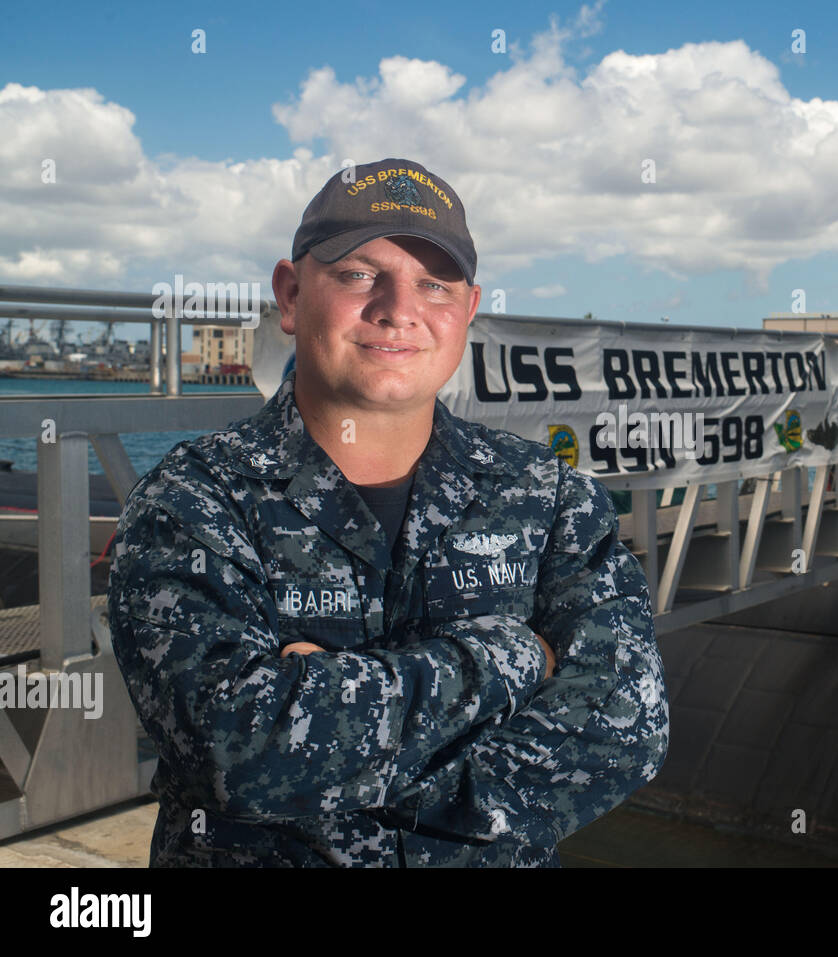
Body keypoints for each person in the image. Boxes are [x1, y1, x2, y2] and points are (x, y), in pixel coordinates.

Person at [108, 158, 669, 867]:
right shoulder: (192, 503)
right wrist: (514, 653)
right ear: (289, 294)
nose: (398, 307)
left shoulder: (548, 498)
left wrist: (327, 752)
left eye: (434, 283)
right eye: (358, 273)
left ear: (467, 311)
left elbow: (627, 725)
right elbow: (240, 751)